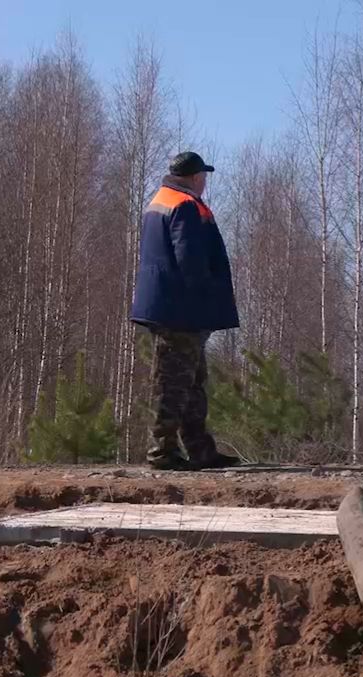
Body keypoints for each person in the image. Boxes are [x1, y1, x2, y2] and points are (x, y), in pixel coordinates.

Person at [130, 152, 241, 471]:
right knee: (175, 382)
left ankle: (200, 450)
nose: (205, 181)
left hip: (168, 306)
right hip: (181, 310)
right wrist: (205, 296)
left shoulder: (160, 202)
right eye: (203, 176)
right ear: (194, 177)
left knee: (191, 380)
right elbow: (189, 257)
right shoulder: (185, 206)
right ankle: (162, 451)